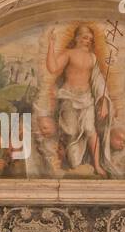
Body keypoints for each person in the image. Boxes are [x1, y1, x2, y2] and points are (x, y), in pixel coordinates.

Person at [46, 25, 112, 176]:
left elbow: (98, 80)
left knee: (91, 131)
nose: (87, 41)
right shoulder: (69, 54)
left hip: (87, 99)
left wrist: (104, 102)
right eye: (84, 37)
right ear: (76, 38)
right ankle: (74, 165)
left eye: (90, 39)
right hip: (69, 98)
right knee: (72, 132)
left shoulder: (92, 58)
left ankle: (97, 165)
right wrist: (51, 44)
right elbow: (52, 67)